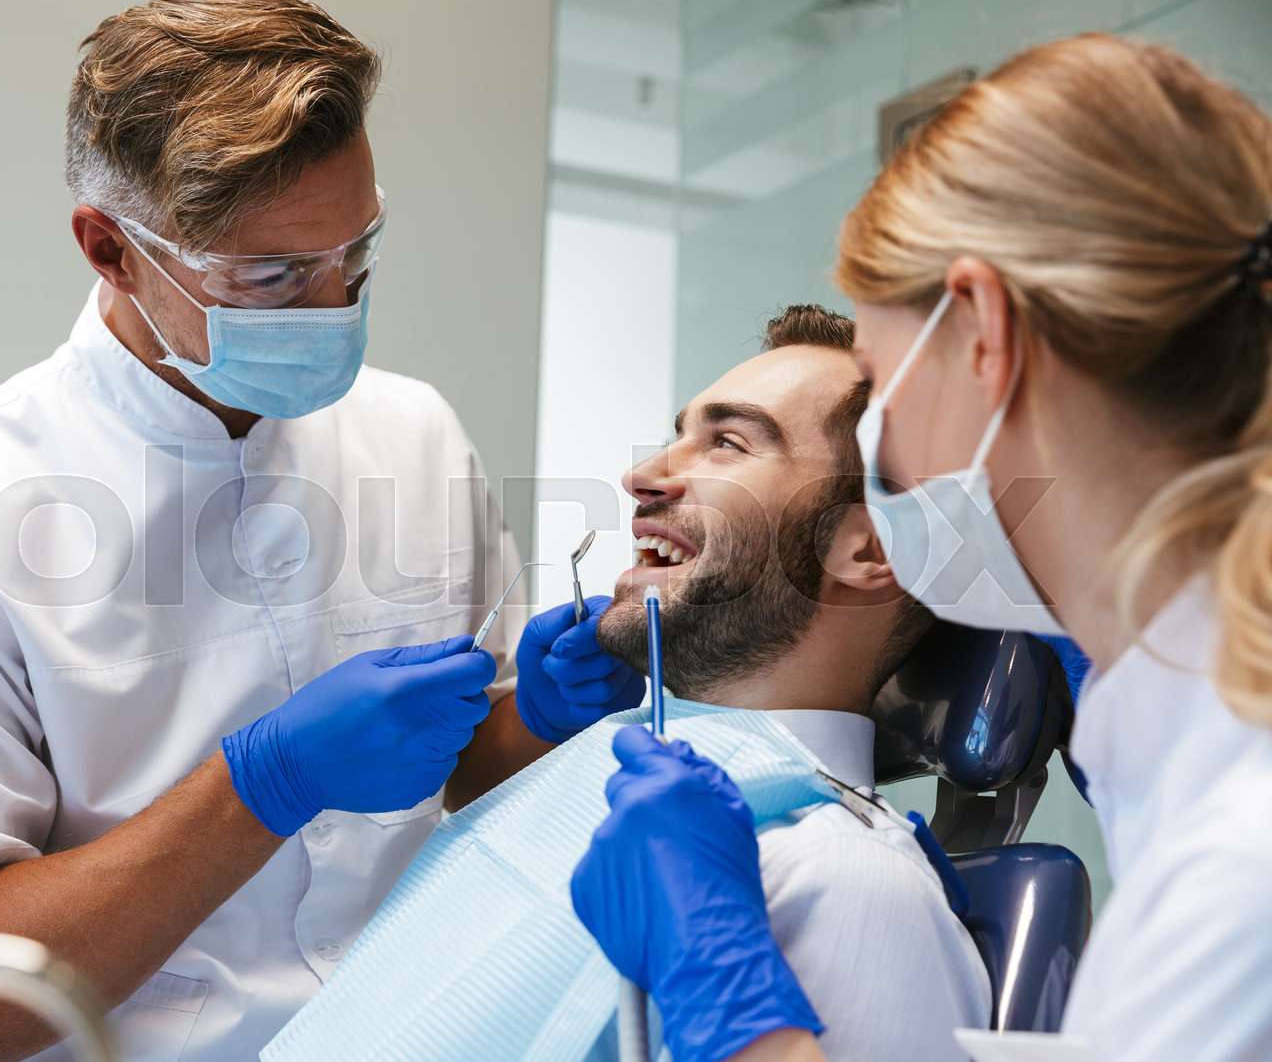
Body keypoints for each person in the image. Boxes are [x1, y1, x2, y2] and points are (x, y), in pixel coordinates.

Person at [0, 0, 638, 1060]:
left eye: (358, 246)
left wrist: (531, 711)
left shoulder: (413, 431)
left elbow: (459, 770)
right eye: (274, 276)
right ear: (110, 249)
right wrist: (260, 784)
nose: (337, 299)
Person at [571, 32, 1272, 1062]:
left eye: (876, 380)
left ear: (983, 330)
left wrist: (728, 996)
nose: (879, 452)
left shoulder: (1239, 851)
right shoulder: (1165, 742)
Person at [266, 305, 990, 1061]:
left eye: (729, 443)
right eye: (682, 435)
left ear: (868, 545)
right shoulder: (602, 777)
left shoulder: (846, 880)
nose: (642, 477)